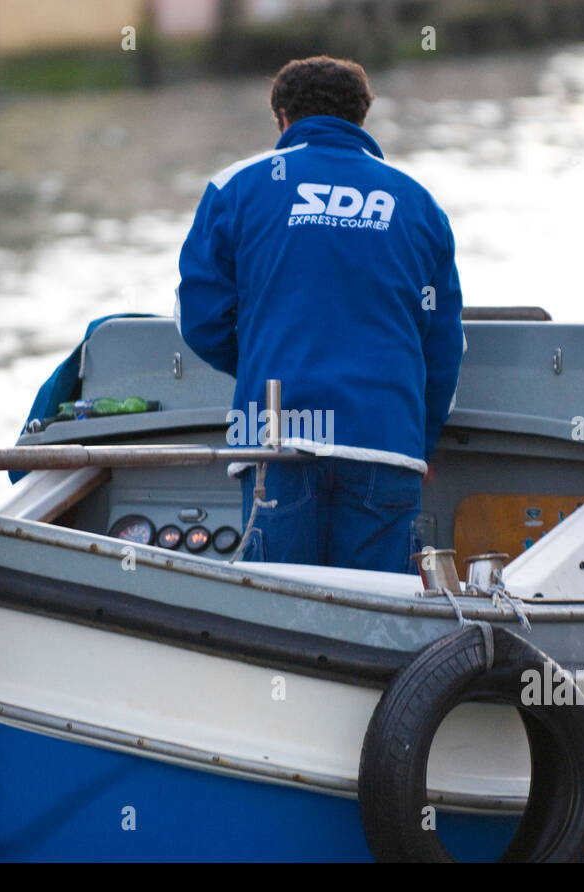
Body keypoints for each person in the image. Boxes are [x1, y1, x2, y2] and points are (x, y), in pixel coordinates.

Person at [176, 56, 463, 573]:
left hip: (277, 437)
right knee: (378, 617)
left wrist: (269, 360)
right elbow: (442, 347)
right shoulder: (418, 203)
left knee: (278, 611)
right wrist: (418, 442)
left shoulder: (235, 187)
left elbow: (199, 318)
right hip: (386, 446)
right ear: (362, 117)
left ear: (283, 116)